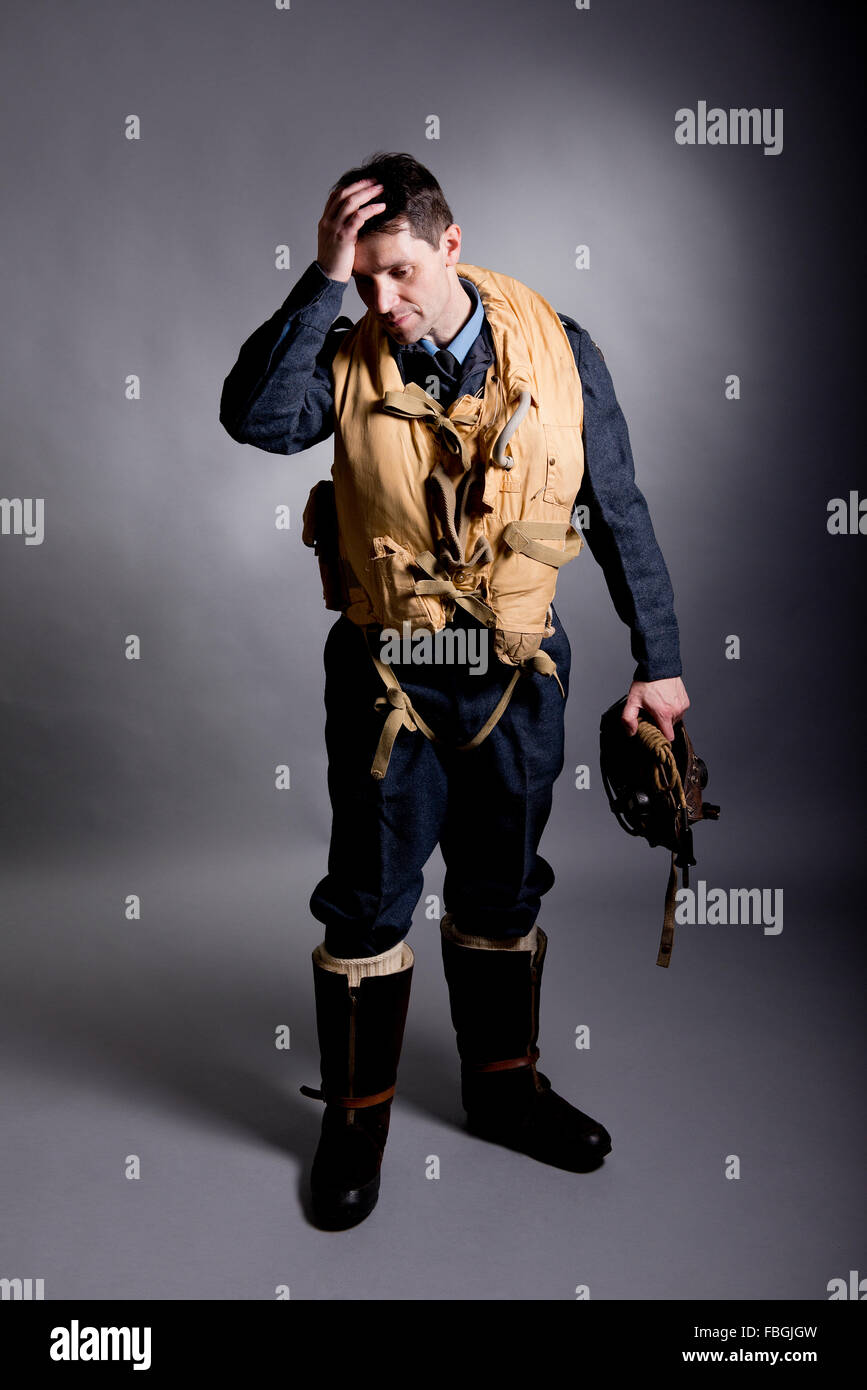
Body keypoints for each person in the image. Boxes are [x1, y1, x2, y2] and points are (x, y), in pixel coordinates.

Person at [220, 151, 690, 1231]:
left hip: (520, 676)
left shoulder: (563, 352)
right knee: (369, 899)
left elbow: (616, 506)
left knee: (503, 886)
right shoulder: (344, 352)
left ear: (452, 246)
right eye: (365, 278)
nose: (384, 302)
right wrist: (322, 277)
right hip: (391, 676)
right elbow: (252, 416)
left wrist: (658, 659)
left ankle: (505, 1088)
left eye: (399, 273)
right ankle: (357, 1114)